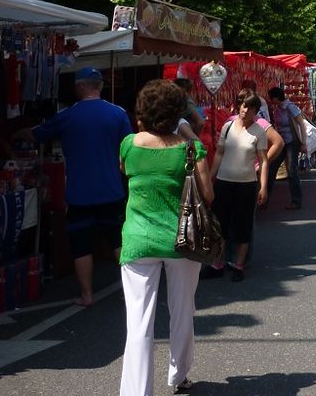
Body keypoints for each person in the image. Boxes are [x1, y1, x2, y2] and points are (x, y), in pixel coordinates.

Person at [119, 79, 212, 396]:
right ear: (178, 114)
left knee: (139, 323)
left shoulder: (129, 144)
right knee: (183, 309)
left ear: (142, 111)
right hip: (182, 241)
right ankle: (178, 375)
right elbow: (208, 195)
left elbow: (124, 170)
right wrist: (187, 133)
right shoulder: (190, 149)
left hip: (138, 239)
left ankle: (136, 391)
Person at [21, 67, 132, 306]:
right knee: (118, 242)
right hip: (111, 190)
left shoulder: (68, 115)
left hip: (79, 194)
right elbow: (129, 149)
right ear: (100, 86)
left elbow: (37, 134)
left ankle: (86, 295)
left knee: (81, 246)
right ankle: (132, 292)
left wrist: (12, 134)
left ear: (80, 87)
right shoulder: (118, 113)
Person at [204, 95, 268, 281]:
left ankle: (239, 265)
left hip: (247, 185)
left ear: (256, 112)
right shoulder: (228, 127)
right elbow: (219, 154)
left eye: (250, 108)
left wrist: (263, 186)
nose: (245, 110)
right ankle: (217, 263)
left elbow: (263, 161)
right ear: (238, 106)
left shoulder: (259, 132)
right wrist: (209, 177)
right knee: (220, 224)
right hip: (224, 181)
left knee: (243, 225)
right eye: (243, 106)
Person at [267, 87, 311, 210]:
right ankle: (264, 198)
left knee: (291, 170)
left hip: (292, 142)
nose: (270, 100)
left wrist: (303, 142)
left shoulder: (289, 107)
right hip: (281, 142)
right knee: (271, 168)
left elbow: (301, 124)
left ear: (276, 97)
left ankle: (296, 200)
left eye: (271, 98)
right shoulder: (277, 109)